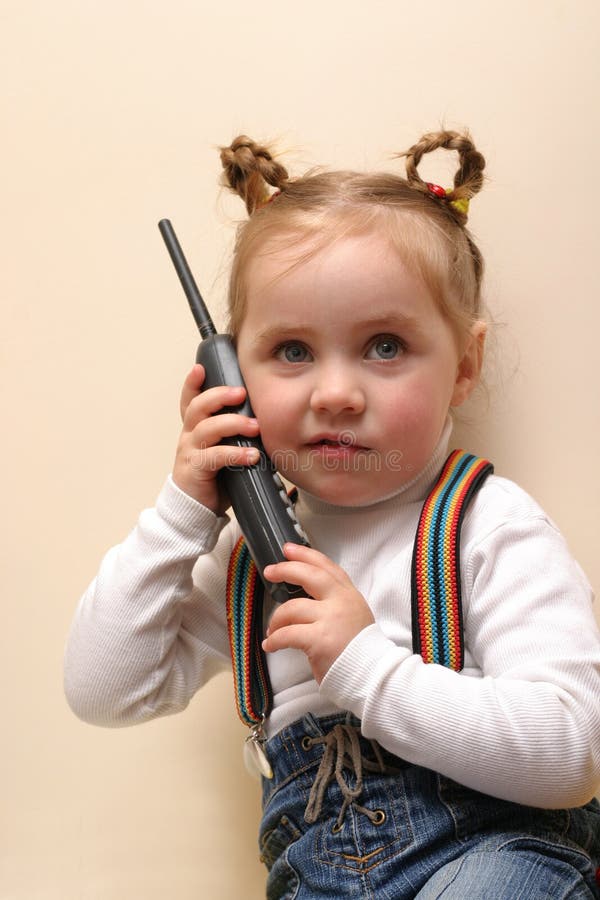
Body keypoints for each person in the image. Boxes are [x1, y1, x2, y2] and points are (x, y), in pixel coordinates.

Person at [64, 130, 600, 899]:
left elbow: (569, 755)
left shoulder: (490, 528)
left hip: (492, 855)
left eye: (384, 345)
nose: (336, 393)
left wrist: (365, 667)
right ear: (229, 379)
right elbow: (102, 689)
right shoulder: (254, 560)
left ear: (465, 366)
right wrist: (184, 511)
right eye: (290, 351)